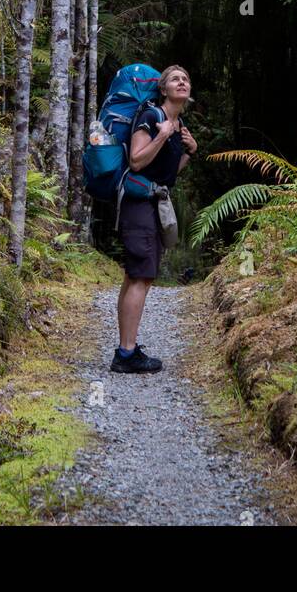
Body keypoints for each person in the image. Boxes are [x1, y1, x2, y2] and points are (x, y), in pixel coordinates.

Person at [111, 65, 198, 374]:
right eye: (175, 79)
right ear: (163, 89)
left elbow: (166, 175)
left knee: (136, 274)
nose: (182, 82)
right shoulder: (152, 117)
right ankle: (126, 353)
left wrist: (189, 151)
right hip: (138, 204)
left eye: (185, 79)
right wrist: (162, 135)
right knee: (141, 276)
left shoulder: (178, 123)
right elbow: (136, 161)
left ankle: (126, 348)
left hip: (153, 201)